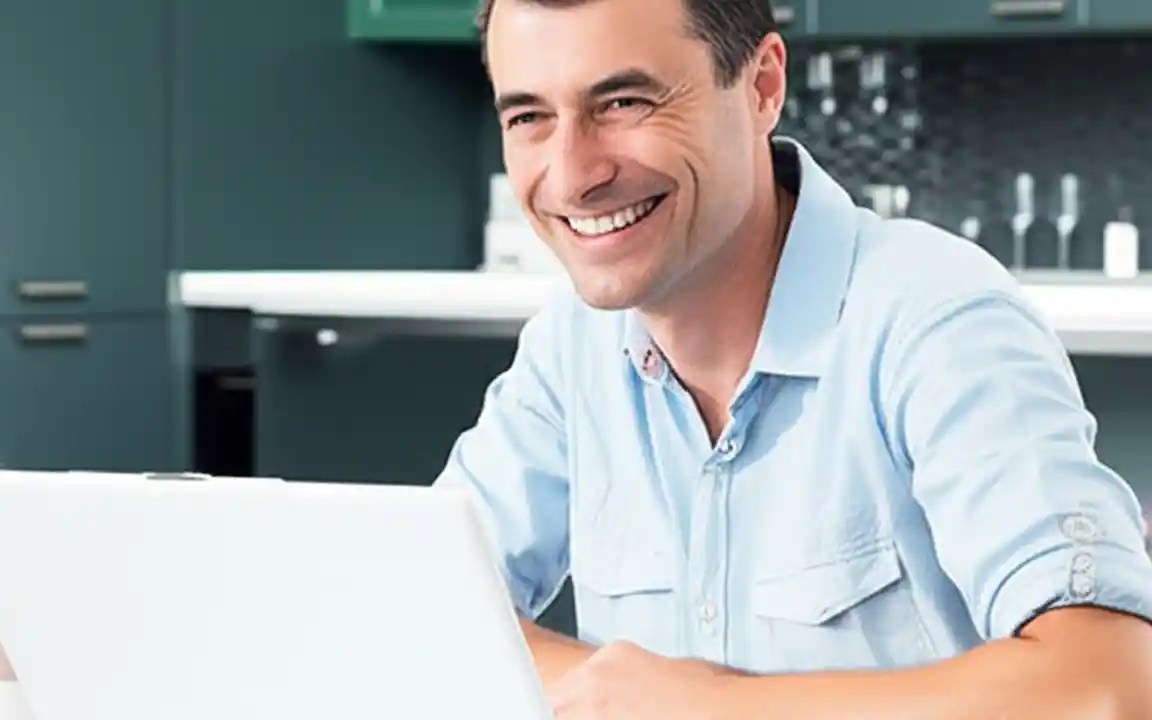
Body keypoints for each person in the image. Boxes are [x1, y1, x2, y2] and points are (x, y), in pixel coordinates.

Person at [432, 0, 1152, 716]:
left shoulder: (934, 322)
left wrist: (714, 708)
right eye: (528, 118)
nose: (571, 175)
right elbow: (409, 614)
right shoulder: (570, 349)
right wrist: (617, 692)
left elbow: (1107, 686)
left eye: (624, 102)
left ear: (762, 87)